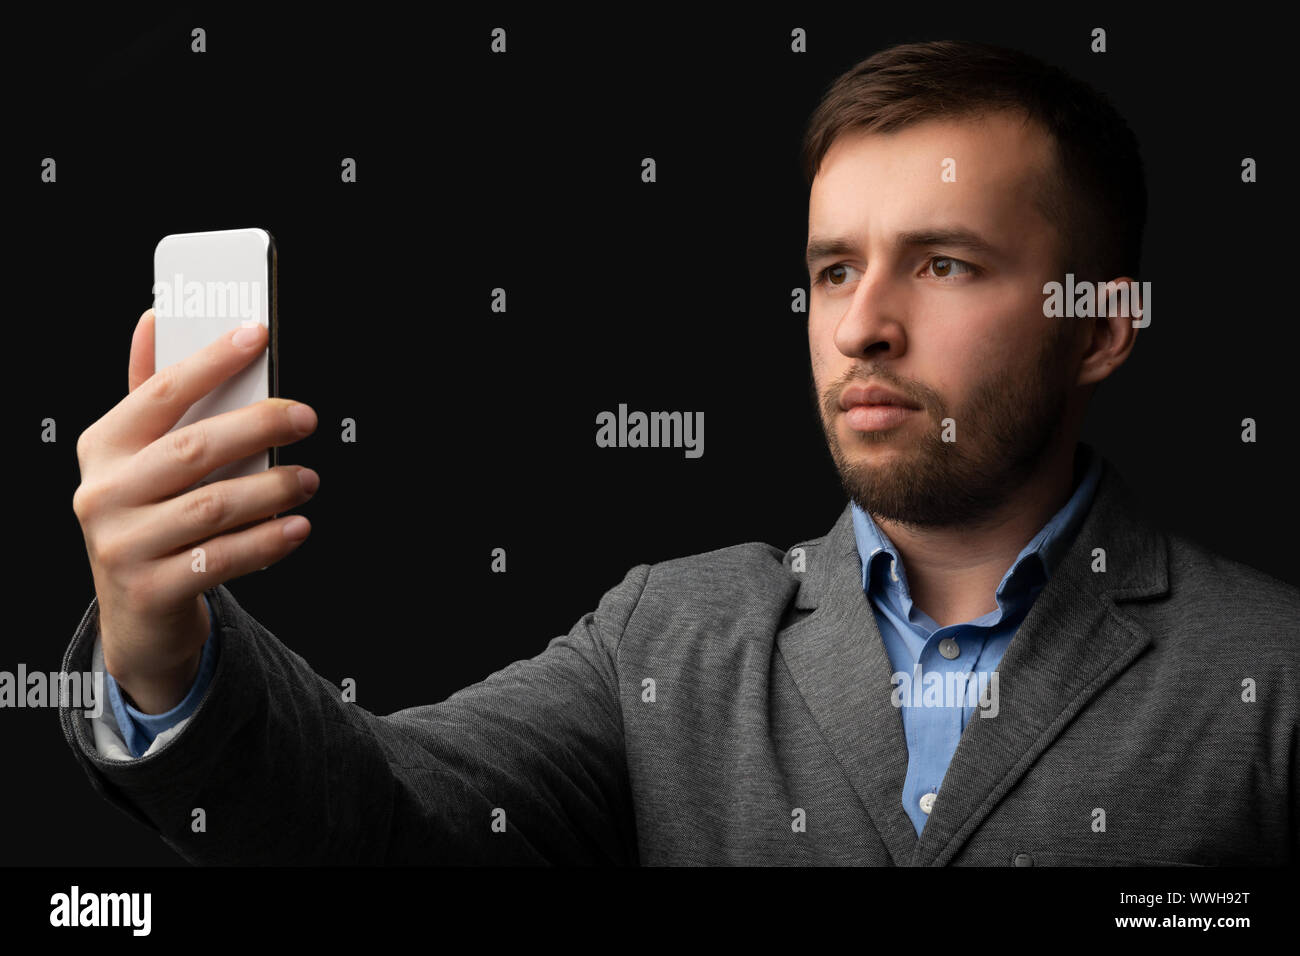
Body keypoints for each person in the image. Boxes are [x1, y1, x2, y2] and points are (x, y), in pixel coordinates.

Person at [61, 40, 1298, 865]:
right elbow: (381, 821)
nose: (862, 324)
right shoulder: (668, 637)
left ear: (1100, 324)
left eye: (942, 263)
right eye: (833, 269)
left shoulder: (1271, 672)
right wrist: (164, 648)